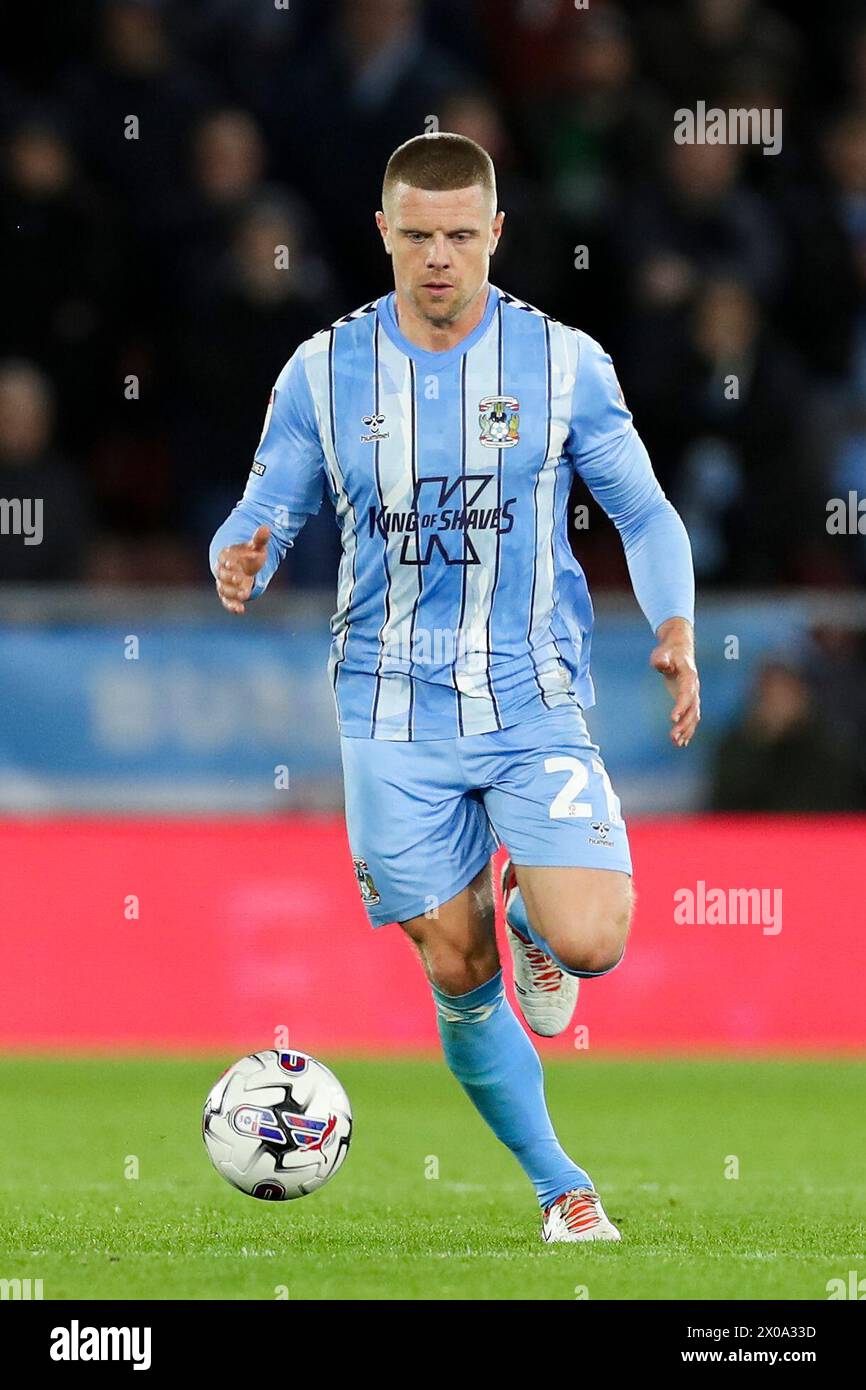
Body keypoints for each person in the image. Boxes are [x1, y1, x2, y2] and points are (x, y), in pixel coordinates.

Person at [210, 133, 699, 1243]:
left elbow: (645, 511)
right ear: (383, 232)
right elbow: (263, 509)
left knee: (591, 942)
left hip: (529, 696)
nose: (439, 257)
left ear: (495, 235)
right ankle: (560, 1188)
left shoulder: (561, 362)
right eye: (418, 235)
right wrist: (236, 553)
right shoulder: (322, 372)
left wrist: (672, 623)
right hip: (388, 712)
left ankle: (532, 902)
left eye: (460, 235)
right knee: (455, 960)